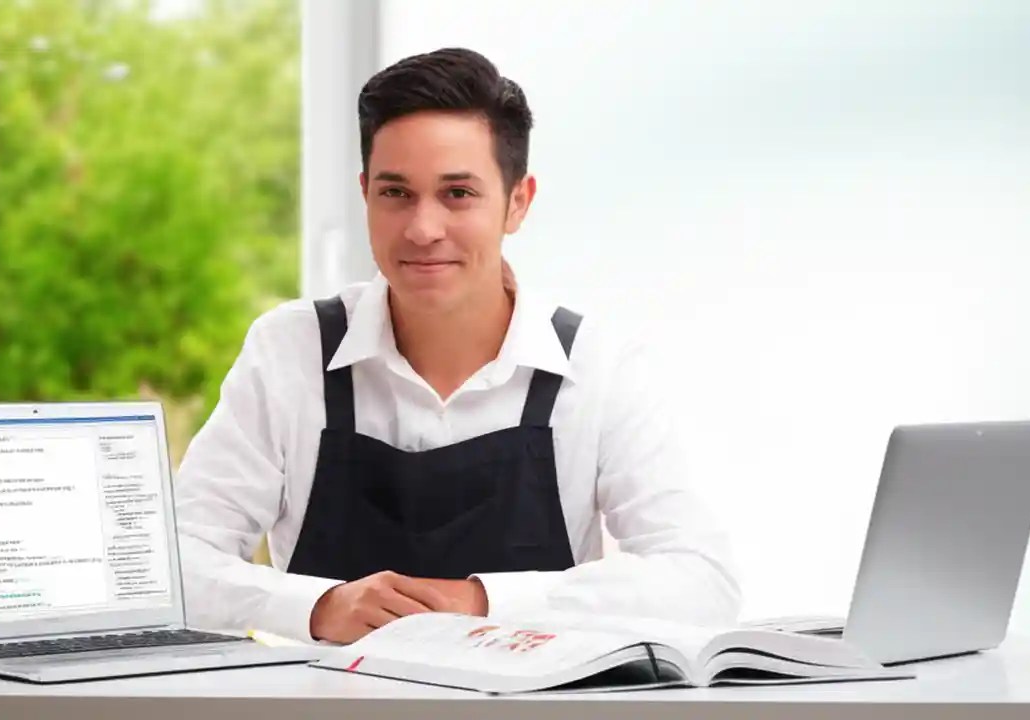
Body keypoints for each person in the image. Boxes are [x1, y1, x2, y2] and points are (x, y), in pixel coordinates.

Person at [174, 47, 740, 644]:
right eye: (396, 193)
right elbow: (175, 567)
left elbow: (701, 583)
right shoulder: (290, 351)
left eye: (458, 194)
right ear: (365, 194)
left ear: (517, 203)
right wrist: (318, 607)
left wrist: (479, 601)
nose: (423, 229)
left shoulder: (599, 366)